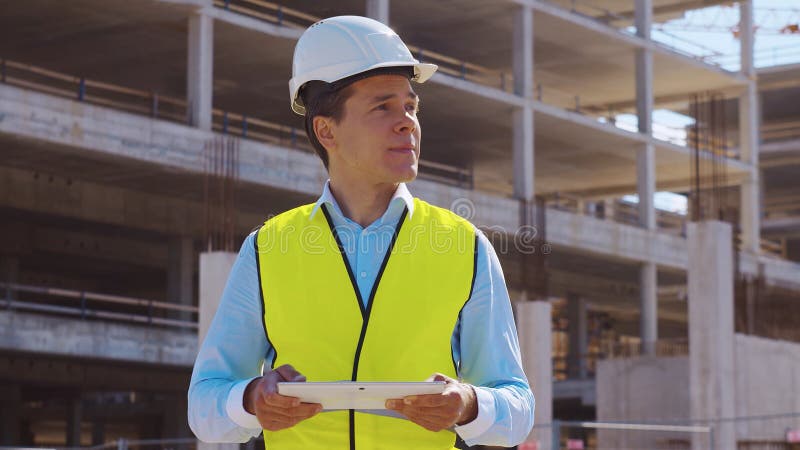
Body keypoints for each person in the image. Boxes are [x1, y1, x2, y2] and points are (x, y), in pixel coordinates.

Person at [188, 15, 534, 450]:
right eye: (383, 107)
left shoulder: (466, 248)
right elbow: (204, 404)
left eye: (411, 106)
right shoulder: (266, 249)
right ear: (326, 129)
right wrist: (250, 400)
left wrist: (469, 404)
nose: (407, 122)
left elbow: (517, 406)